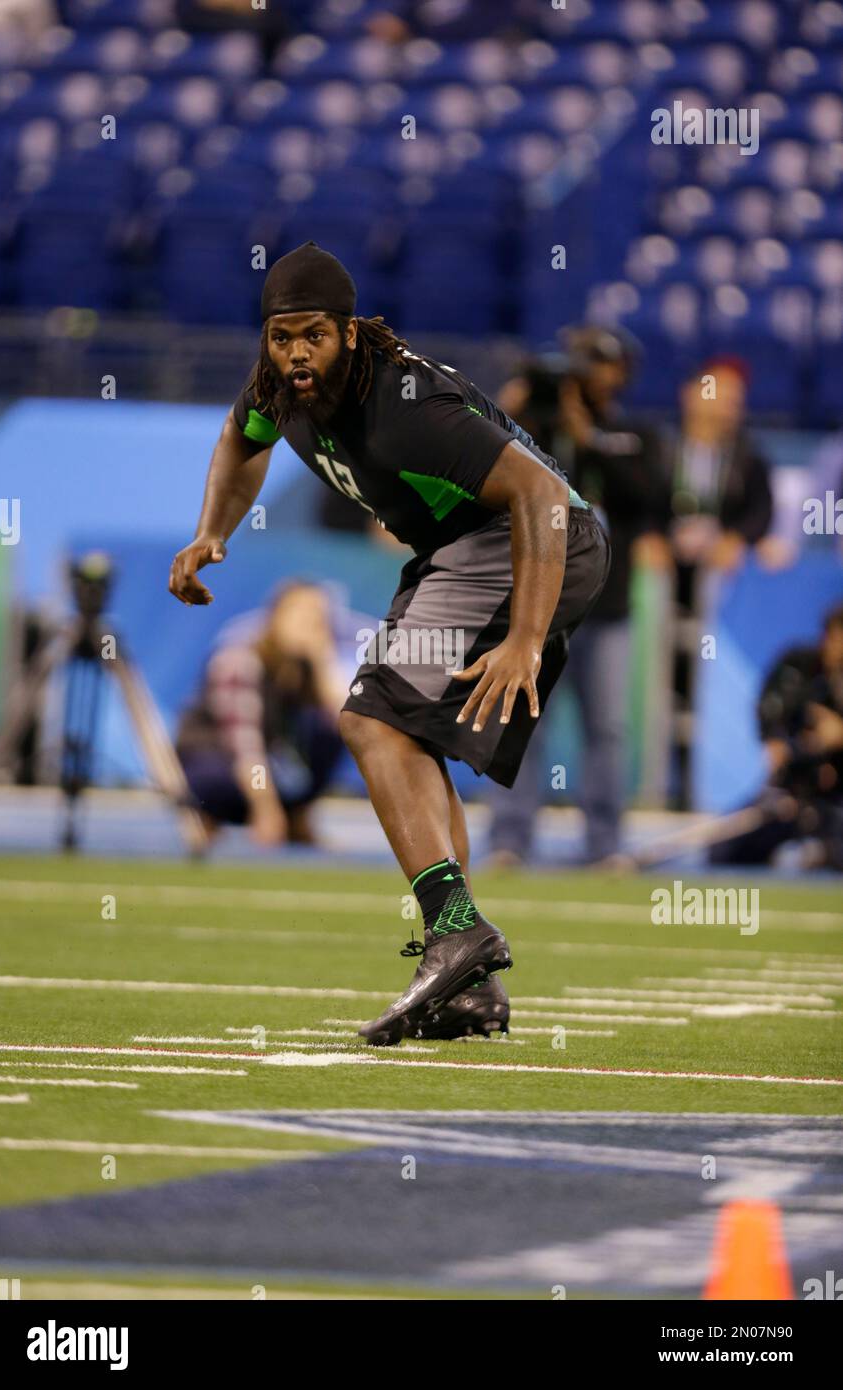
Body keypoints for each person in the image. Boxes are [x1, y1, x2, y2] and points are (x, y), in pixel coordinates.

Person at [169, 241, 610, 1045]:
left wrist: (525, 637)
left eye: (313, 335)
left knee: (370, 718)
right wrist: (210, 534)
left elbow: (542, 495)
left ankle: (455, 932)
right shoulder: (279, 386)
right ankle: (466, 983)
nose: (296, 353)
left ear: (349, 331)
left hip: (532, 540)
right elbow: (242, 439)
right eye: (280, 336)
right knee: (400, 730)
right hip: (462, 552)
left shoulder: (404, 403)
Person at [487, 326, 669, 864]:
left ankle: (604, 845)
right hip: (538, 610)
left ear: (621, 374)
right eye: (583, 362)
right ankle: (509, 840)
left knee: (607, 729)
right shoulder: (533, 432)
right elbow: (483, 464)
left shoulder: (635, 435)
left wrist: (584, 432)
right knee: (521, 724)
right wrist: (506, 413)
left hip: (606, 609)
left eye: (601, 363)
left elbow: (645, 495)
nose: (588, 375)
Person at [667, 357, 775, 806]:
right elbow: (645, 503)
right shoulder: (665, 448)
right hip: (664, 586)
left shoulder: (749, 458)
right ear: (691, 394)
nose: (727, 406)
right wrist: (653, 538)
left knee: (705, 689)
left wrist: (738, 538)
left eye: (736, 399)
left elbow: (760, 514)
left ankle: (702, 788)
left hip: (716, 589)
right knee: (664, 686)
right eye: (719, 393)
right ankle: (661, 783)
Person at [176, 581, 346, 848]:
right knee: (216, 777)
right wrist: (265, 808)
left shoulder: (308, 669)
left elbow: (346, 723)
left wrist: (323, 661)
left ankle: (297, 816)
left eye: (318, 618)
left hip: (272, 766)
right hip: (224, 763)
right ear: (276, 617)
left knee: (330, 730)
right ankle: (209, 815)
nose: (309, 624)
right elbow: (245, 746)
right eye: (300, 613)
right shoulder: (240, 660)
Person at [709, 602, 843, 870]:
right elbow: (772, 709)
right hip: (791, 793)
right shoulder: (800, 665)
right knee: (724, 851)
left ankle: (817, 850)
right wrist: (776, 742)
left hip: (835, 800)